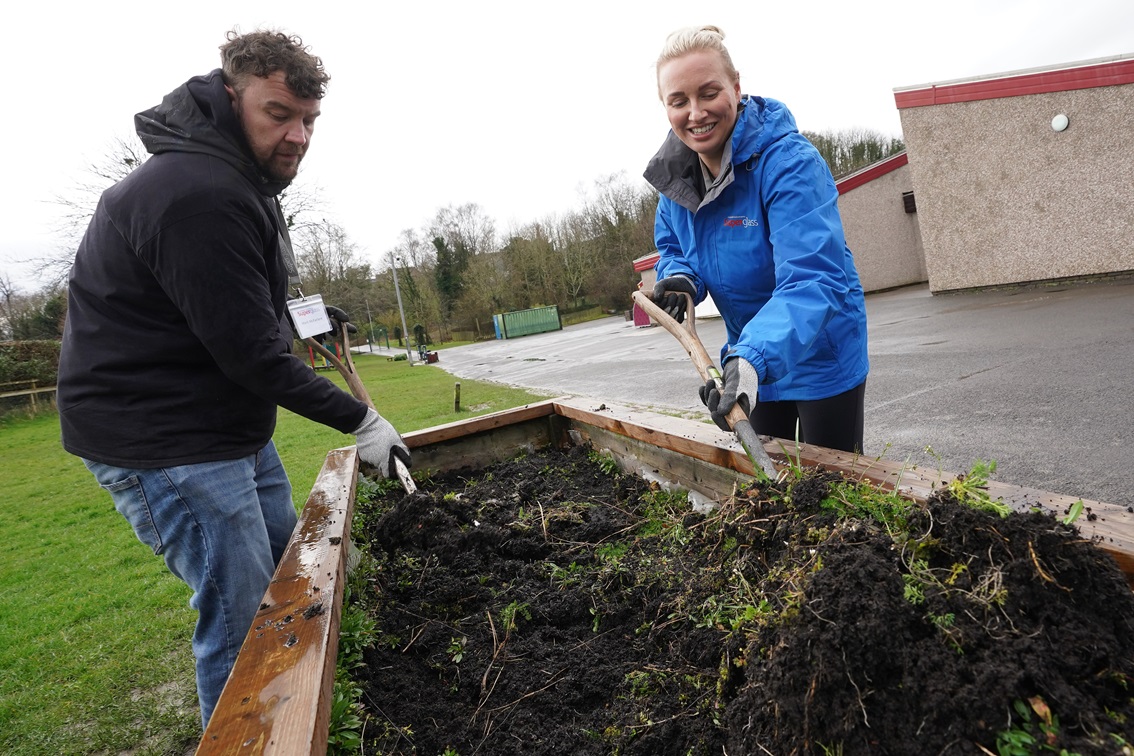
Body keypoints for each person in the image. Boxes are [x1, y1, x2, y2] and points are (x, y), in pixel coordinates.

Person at [56, 29, 410, 728]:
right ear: (229, 97)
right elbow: (248, 353)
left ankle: (299, 716)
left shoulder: (234, 178)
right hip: (162, 438)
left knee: (291, 572)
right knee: (245, 610)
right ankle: (251, 737)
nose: (298, 134)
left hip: (222, 425)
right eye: (278, 113)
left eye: (308, 120)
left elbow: (223, 300)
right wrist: (361, 422)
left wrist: (299, 317)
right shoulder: (195, 192)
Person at [644, 25, 869, 454]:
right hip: (747, 358)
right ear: (665, 106)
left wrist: (751, 358)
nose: (695, 113)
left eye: (708, 93)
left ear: (736, 87)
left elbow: (812, 277)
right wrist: (679, 279)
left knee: (838, 486)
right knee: (770, 488)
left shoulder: (790, 165)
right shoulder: (675, 182)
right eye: (679, 101)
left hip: (820, 352)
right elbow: (674, 246)